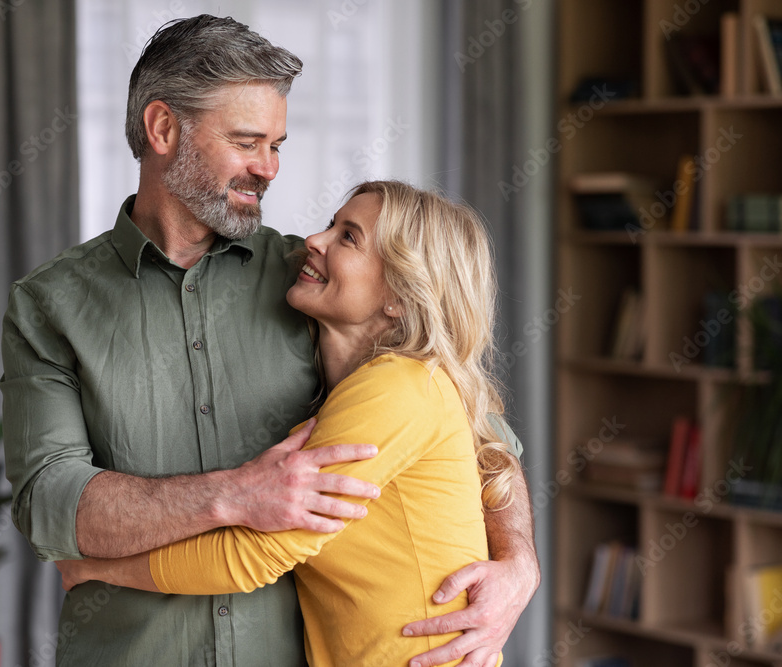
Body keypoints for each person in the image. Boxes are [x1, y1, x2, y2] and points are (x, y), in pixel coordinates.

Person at [1, 14, 538, 667]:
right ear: (164, 129)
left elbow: (479, 430)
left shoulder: (310, 283)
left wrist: (516, 562)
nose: (270, 167)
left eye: (277, 144)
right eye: (249, 141)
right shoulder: (50, 304)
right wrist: (230, 492)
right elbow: (50, 500)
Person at [57, 180, 518, 667]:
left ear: (399, 297)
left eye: (349, 237)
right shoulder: (377, 390)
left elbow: (252, 556)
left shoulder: (399, 389)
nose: (314, 241)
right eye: (330, 225)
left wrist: (94, 568)